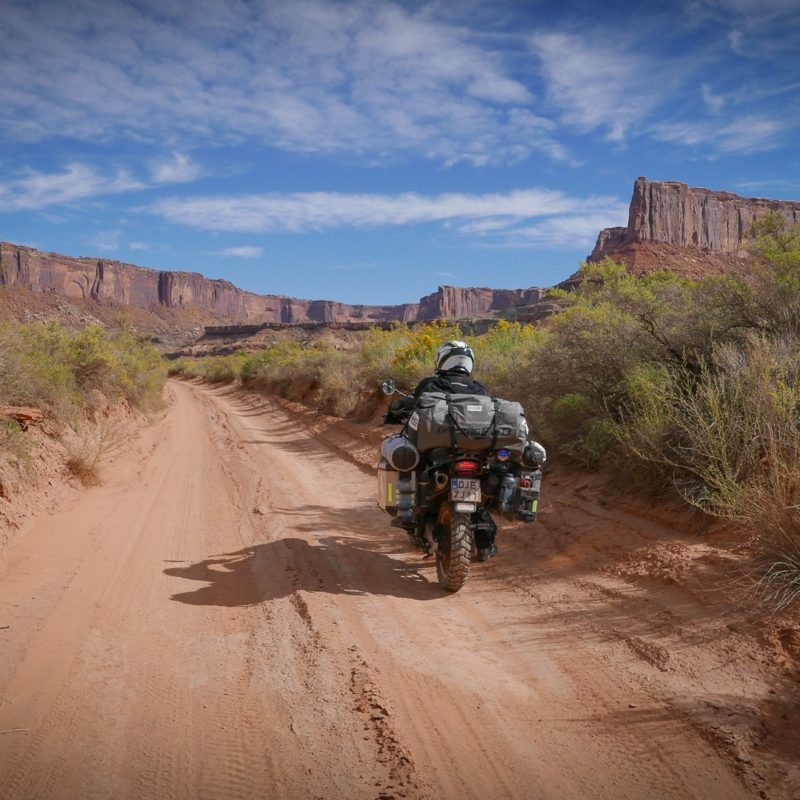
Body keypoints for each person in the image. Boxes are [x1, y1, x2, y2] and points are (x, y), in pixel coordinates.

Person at [386, 340, 499, 560]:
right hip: (474, 453)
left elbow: (410, 404)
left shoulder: (430, 384)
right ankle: (485, 545)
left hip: (438, 453)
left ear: (443, 360)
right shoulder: (479, 388)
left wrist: (396, 407)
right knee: (482, 498)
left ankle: (407, 512)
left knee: (409, 464)